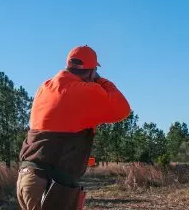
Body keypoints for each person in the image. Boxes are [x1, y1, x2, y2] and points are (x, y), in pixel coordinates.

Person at [17, 45, 131, 210]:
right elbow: (123, 109)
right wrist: (101, 80)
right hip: (51, 188)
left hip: (27, 179)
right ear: (92, 71)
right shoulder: (88, 90)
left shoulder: (45, 87)